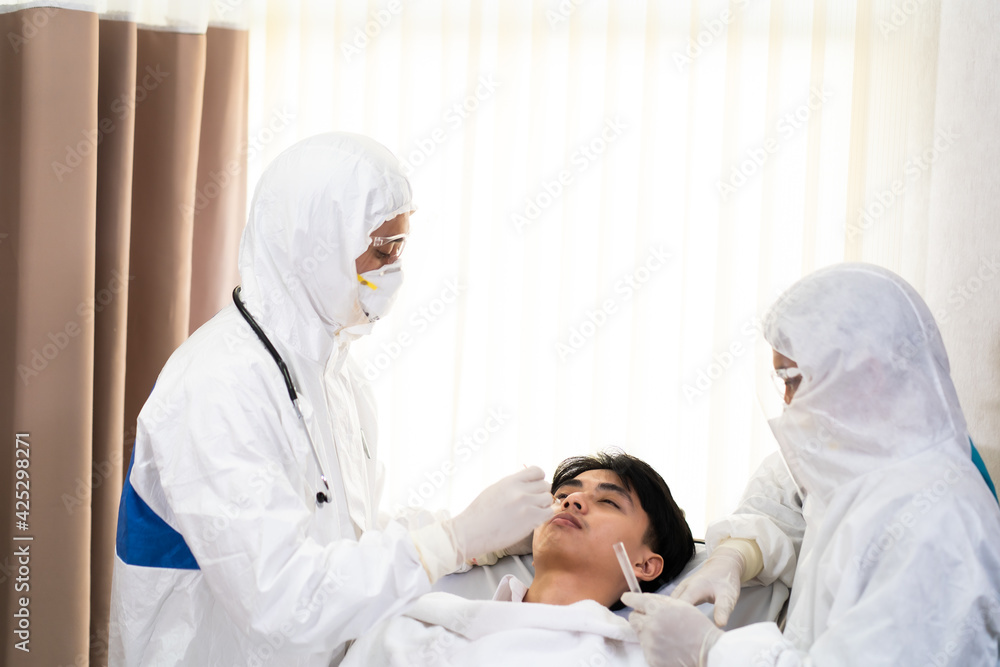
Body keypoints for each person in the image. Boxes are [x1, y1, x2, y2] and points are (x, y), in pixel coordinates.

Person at [109, 133, 555, 666]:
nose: (393, 270)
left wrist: (484, 537)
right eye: (382, 249)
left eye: (400, 248)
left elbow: (349, 538)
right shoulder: (216, 388)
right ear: (316, 242)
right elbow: (282, 602)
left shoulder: (334, 376)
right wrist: (453, 541)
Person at [624, 263, 1000, 666]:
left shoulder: (936, 517)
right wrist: (733, 555)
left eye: (792, 379)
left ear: (869, 372)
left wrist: (713, 651)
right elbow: (780, 507)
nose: (787, 401)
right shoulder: (859, 474)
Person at [341, 451, 696, 666]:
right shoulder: (418, 618)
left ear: (644, 565)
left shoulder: (640, 656)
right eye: (562, 495)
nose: (570, 502)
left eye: (608, 501)